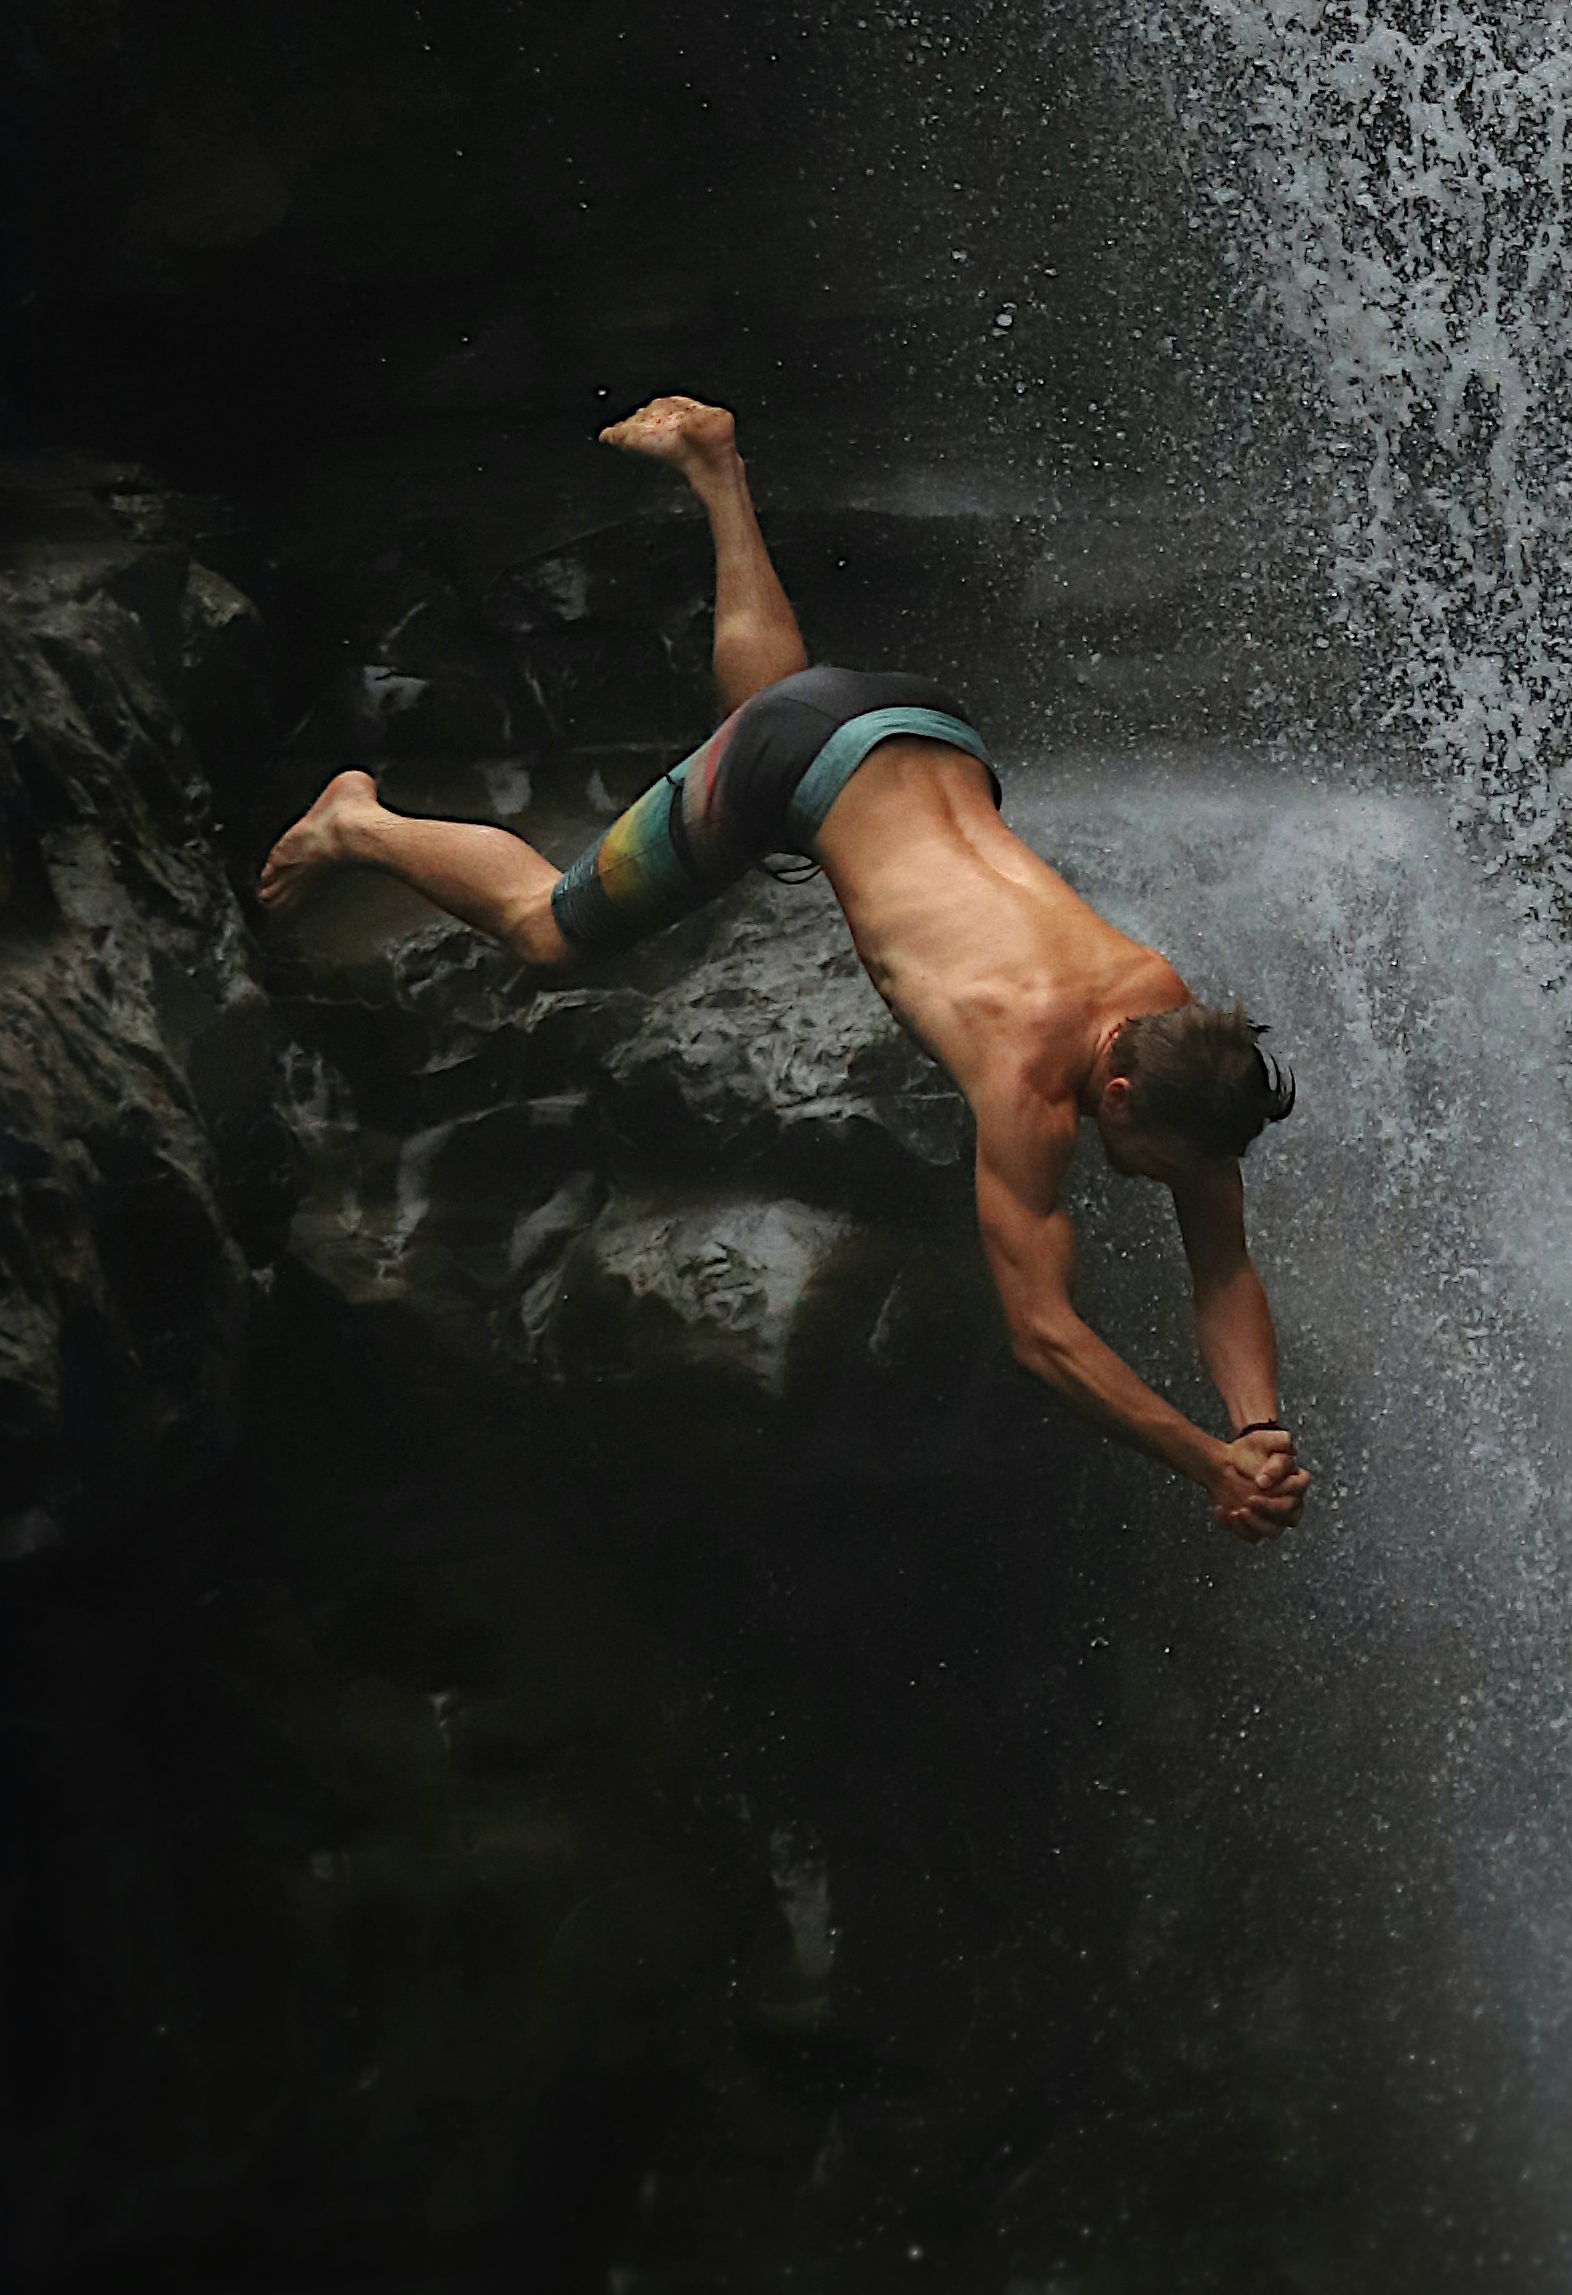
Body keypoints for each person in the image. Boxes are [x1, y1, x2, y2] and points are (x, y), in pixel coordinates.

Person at [254, 398, 1309, 1540]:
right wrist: (1202, 1463)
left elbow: (1220, 1257)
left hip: (917, 728)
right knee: (548, 928)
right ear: (1111, 1093)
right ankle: (358, 822)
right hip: (788, 761)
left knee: (773, 709)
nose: (1158, 1182)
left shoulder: (1172, 1030)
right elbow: (1042, 1335)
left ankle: (716, 467)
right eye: (1150, 1162)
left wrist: (1256, 1429)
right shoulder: (1021, 1078)